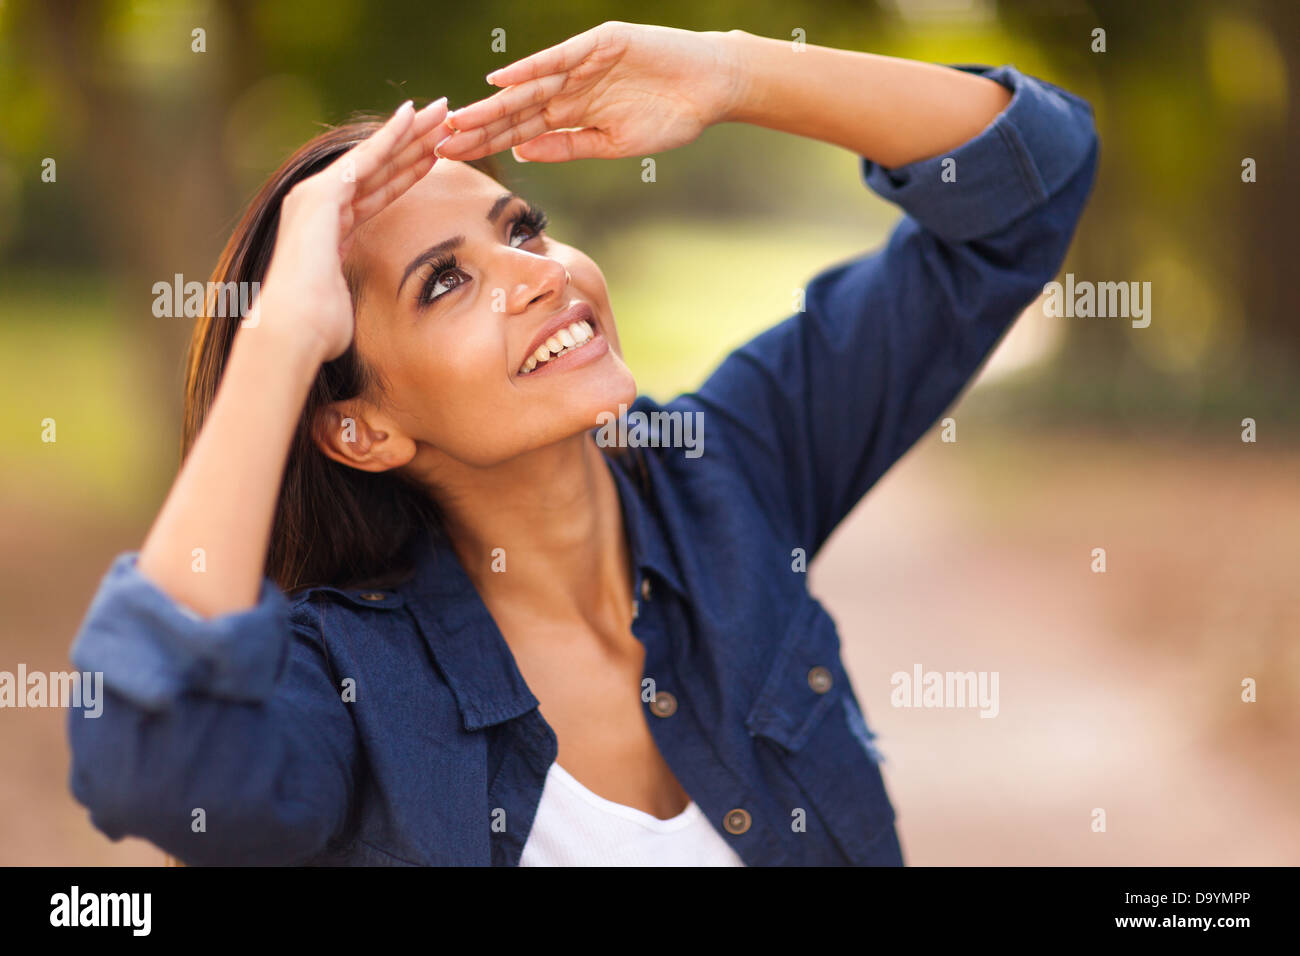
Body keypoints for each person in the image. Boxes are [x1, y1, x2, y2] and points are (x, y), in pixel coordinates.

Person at [66, 22, 1098, 865]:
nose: (540, 271)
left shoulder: (730, 465)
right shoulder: (354, 684)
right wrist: (282, 329)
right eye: (445, 281)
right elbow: (147, 760)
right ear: (362, 428)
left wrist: (730, 69)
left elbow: (1031, 181)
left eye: (520, 227)